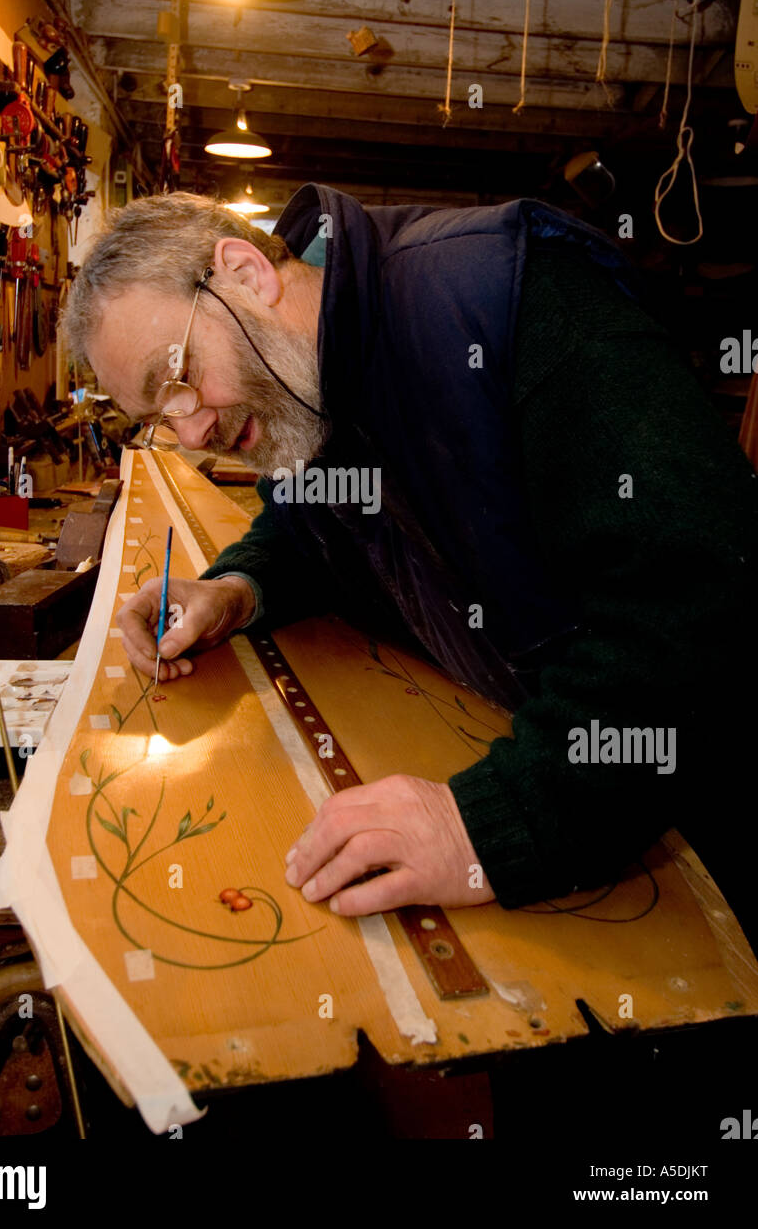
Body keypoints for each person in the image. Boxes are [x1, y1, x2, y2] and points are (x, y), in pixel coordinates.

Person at [62, 185, 758, 947]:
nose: (195, 428)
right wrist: (235, 588)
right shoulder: (307, 377)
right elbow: (314, 527)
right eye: (161, 414)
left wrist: (488, 825)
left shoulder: (515, 298)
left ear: (244, 272)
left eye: (182, 376)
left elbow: (698, 597)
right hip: (560, 768)